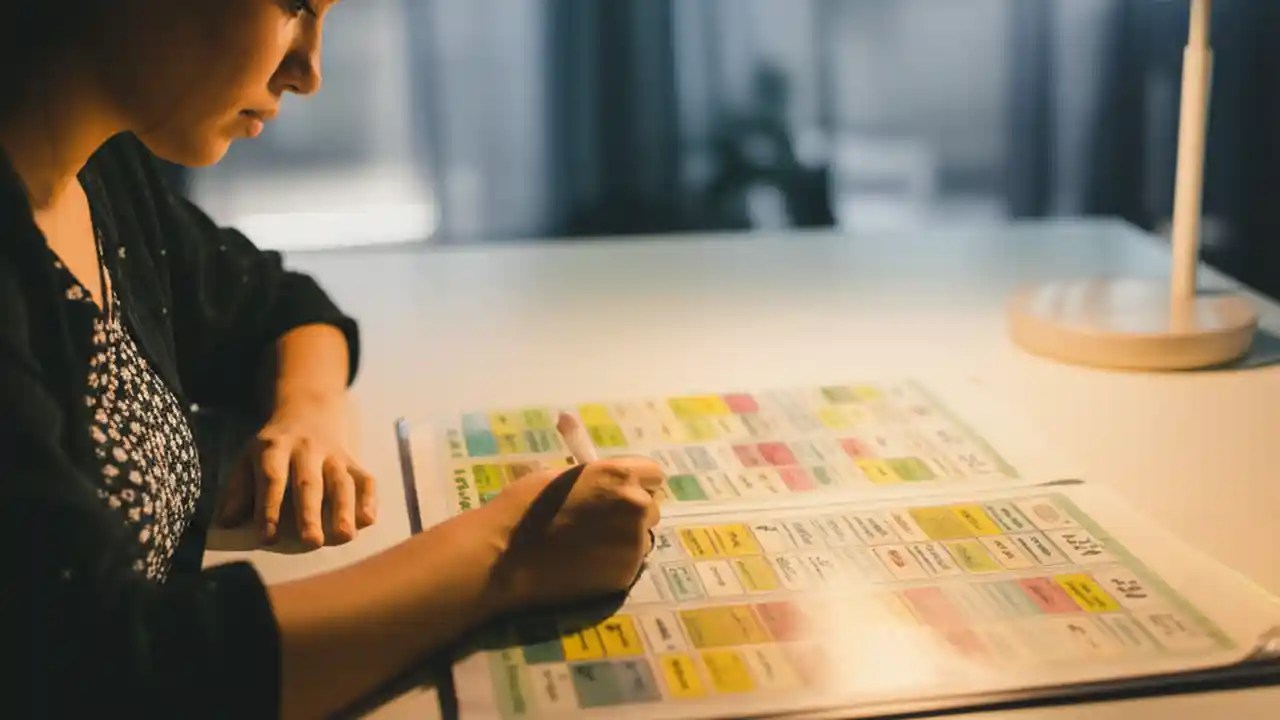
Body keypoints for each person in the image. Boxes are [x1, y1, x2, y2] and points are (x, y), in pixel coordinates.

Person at [0, 2, 663, 718]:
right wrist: (505, 553)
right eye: (293, 8)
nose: (309, 72)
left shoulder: (98, 173)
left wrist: (306, 417)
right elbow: (108, 672)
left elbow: (286, 308)